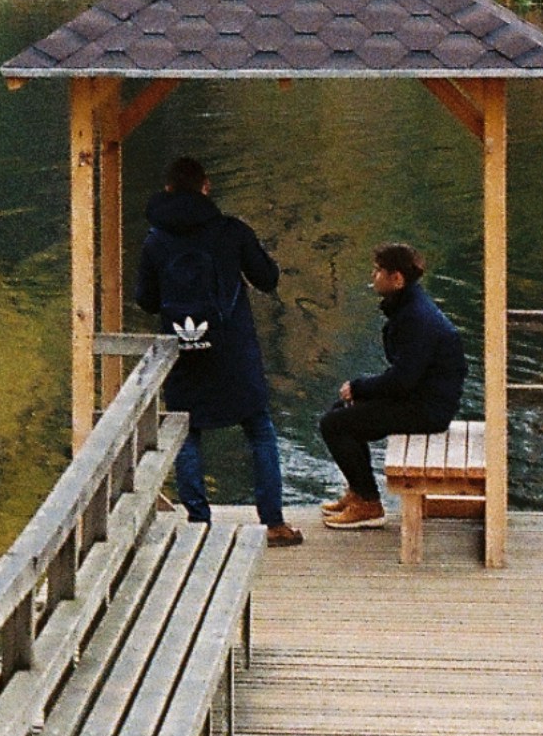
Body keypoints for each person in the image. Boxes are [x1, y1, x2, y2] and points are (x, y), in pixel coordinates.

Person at [137, 155, 302, 546]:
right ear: (206, 187)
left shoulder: (155, 241)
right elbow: (268, 279)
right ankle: (274, 522)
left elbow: (146, 300)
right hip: (233, 350)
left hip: (184, 349)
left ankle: (198, 522)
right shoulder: (231, 232)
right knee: (259, 429)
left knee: (187, 433)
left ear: (168, 190)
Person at [318, 245, 467, 527]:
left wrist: (359, 387)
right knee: (342, 412)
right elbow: (405, 376)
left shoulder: (416, 317)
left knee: (334, 424)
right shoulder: (410, 307)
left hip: (429, 409)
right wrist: (361, 393)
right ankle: (360, 492)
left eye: (378, 271)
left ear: (396, 278)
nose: (373, 276)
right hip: (420, 398)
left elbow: (402, 380)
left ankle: (369, 505)